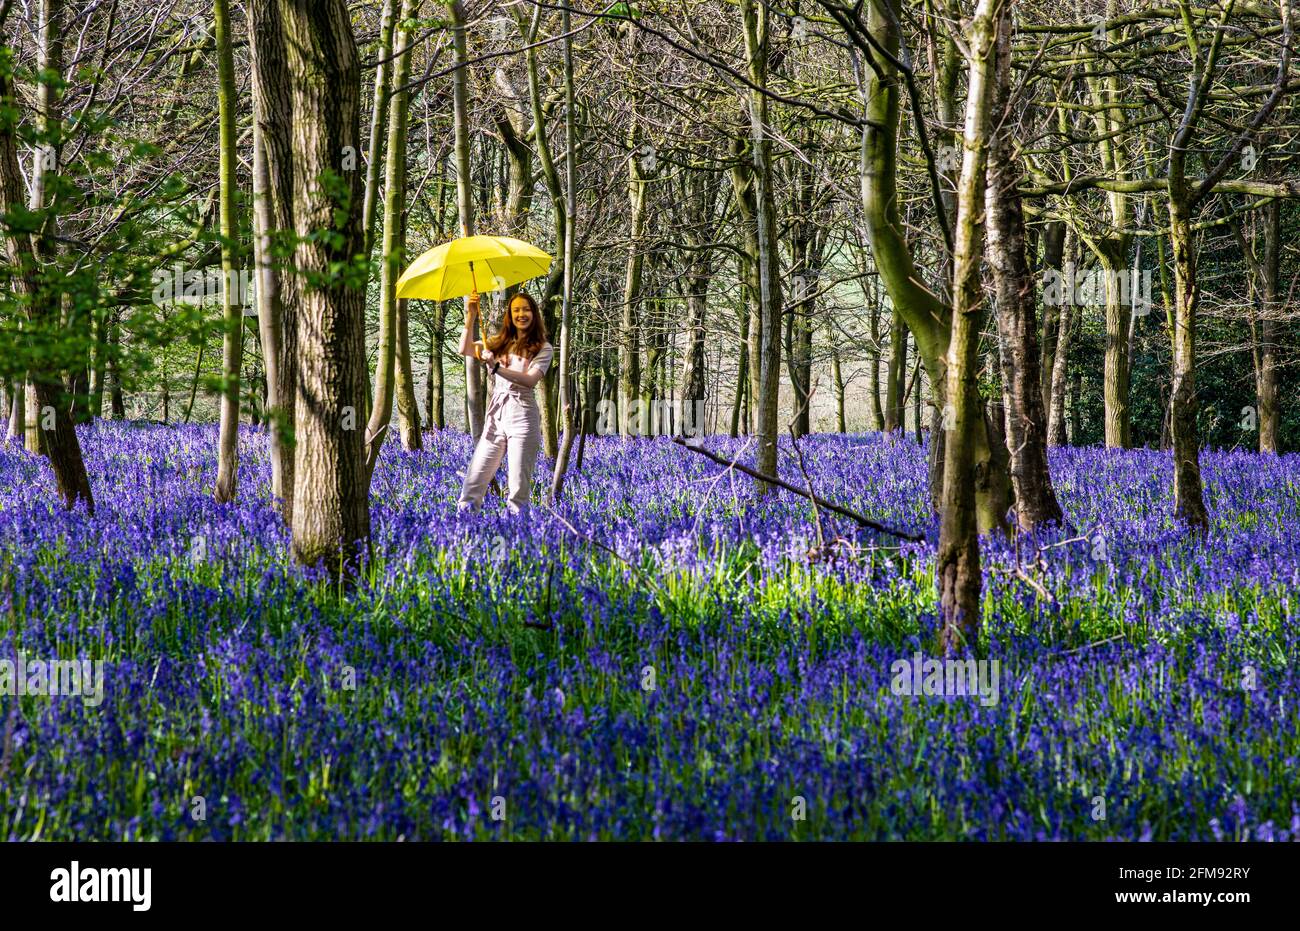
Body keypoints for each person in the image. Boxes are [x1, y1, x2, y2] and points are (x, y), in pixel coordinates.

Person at [456, 289, 553, 516]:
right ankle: (461, 533)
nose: (522, 314)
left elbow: (530, 380)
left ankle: (516, 541)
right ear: (510, 315)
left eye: (526, 309)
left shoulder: (543, 348)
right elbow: (465, 348)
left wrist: (497, 367)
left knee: (518, 488)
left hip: (523, 416)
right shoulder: (498, 343)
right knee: (474, 481)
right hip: (496, 415)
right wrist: (470, 317)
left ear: (534, 314)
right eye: (516, 310)